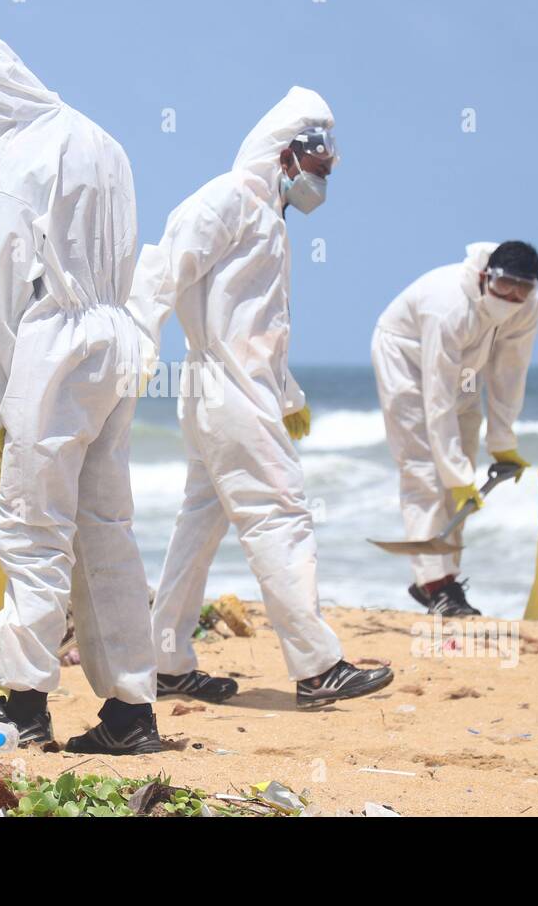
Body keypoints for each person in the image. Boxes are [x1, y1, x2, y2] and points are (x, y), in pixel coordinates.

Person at [0, 21, 163, 754]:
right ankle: (132, 711)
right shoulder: (103, 141)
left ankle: (22, 709)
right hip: (116, 336)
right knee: (105, 532)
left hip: (54, 346)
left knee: (32, 533)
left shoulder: (14, 158)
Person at [128, 87, 394, 708]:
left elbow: (260, 329)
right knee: (281, 513)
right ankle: (318, 666)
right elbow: (161, 271)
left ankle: (165, 661)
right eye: (318, 167)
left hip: (232, 392)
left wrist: (289, 392)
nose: (322, 182)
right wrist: (139, 350)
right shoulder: (227, 199)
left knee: (199, 525)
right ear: (286, 153)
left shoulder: (268, 218)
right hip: (227, 393)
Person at [371, 241, 538, 617]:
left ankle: (445, 580)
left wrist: (502, 442)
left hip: (466, 366)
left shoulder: (527, 307)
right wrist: (454, 473)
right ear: (485, 277)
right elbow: (436, 398)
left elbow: (510, 372)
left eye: (522, 288)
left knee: (462, 463)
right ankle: (436, 587)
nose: (512, 297)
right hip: (408, 358)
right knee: (424, 471)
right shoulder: (447, 304)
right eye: (505, 285)